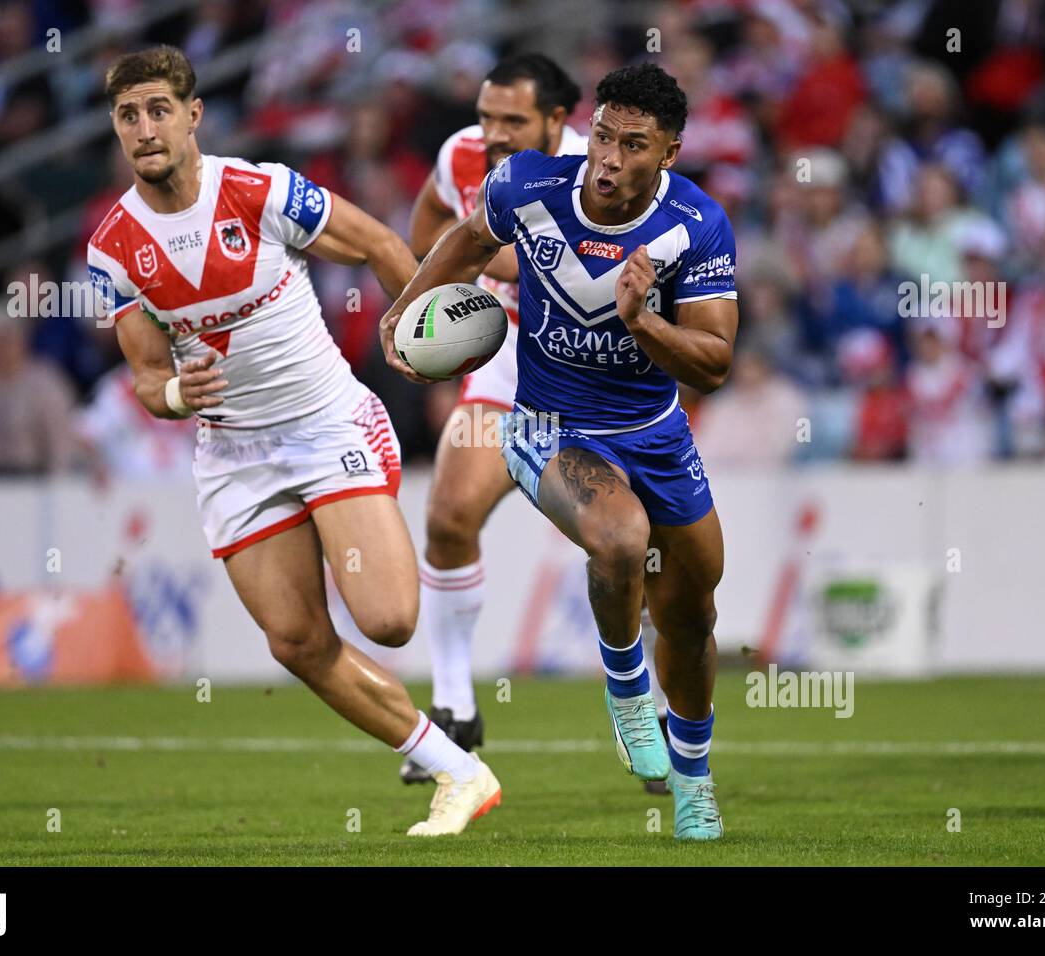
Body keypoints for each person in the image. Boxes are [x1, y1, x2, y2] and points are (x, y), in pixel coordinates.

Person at [87, 46, 499, 836]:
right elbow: (144, 376)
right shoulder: (113, 247)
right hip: (235, 455)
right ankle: (459, 770)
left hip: (324, 426)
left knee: (386, 621)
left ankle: (448, 741)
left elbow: (378, 242)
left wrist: (423, 337)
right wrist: (175, 393)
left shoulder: (260, 189)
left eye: (158, 109)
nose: (144, 128)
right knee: (297, 641)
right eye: (127, 115)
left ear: (193, 114)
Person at [381, 63, 737, 841]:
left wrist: (644, 323)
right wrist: (404, 314)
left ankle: (694, 777)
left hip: (655, 434)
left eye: (633, 145)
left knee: (693, 610)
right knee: (618, 540)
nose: (609, 159)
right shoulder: (528, 187)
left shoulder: (697, 224)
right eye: (604, 136)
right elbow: (465, 240)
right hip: (548, 425)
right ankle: (625, 688)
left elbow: (713, 362)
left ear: (669, 152)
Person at [399, 52, 587, 784]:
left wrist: (482, 262)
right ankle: (454, 707)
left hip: (591, 374)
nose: (495, 133)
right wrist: (451, 292)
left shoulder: (598, 170)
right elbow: (428, 226)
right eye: (487, 116)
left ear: (556, 121)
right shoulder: (461, 156)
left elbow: (559, 269)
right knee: (448, 517)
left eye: (514, 120)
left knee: (634, 551)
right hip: (509, 369)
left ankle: (663, 707)